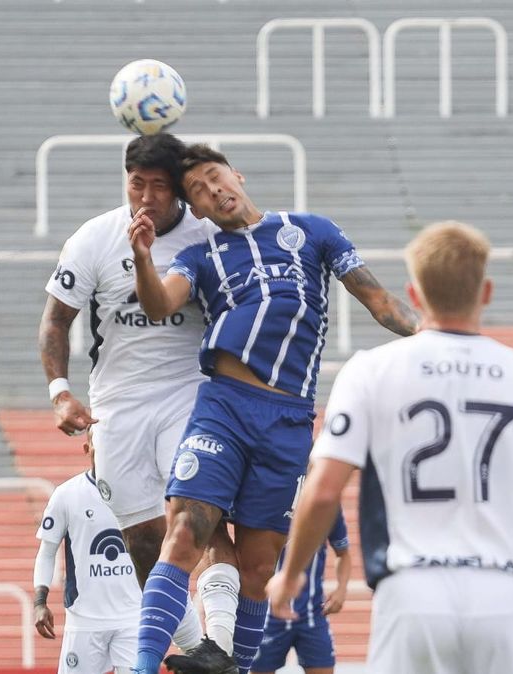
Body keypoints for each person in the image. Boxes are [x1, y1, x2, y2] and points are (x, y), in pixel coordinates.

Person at [127, 142, 419, 674]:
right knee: (185, 531)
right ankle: (142, 666)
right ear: (197, 210)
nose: (213, 190)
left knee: (260, 568)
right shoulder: (200, 255)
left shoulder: (313, 231)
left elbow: (379, 302)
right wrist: (144, 260)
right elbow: (158, 304)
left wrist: (433, 335)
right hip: (223, 407)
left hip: (287, 421)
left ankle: (237, 668)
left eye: (216, 176)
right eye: (198, 190)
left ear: (236, 175)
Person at [266, 221, 513, 674]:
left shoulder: (370, 371)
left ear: (415, 295)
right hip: (509, 596)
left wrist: (291, 575)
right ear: (486, 292)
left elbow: (324, 491)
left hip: (412, 596)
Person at [39, 133, 238, 656]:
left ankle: (222, 635)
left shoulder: (207, 236)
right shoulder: (94, 238)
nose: (146, 197)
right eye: (136, 184)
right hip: (118, 405)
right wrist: (61, 393)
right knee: (143, 540)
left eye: (158, 186)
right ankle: (199, 651)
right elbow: (56, 321)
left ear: (176, 189)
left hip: (192, 393)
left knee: (200, 519)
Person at [33, 431, 141, 674]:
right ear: (87, 447)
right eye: (99, 441)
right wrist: (40, 602)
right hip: (85, 619)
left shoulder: (140, 492)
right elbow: (47, 551)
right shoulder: (67, 494)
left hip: (132, 616)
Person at [250, 507, 351, 674]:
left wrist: (342, 588)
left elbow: (343, 554)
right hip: (268, 617)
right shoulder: (267, 495)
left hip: (312, 615)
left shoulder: (327, 504)